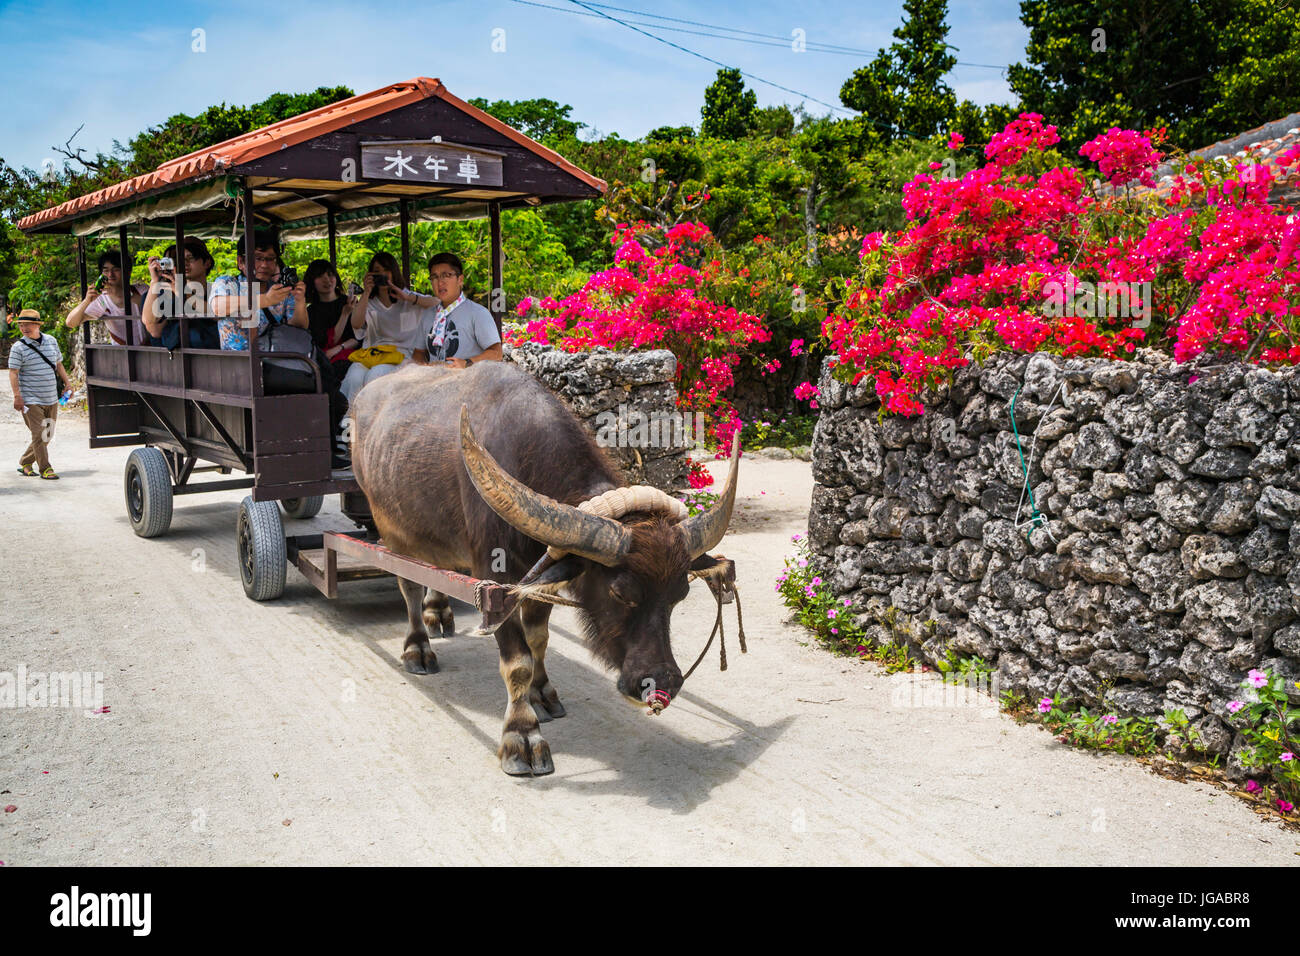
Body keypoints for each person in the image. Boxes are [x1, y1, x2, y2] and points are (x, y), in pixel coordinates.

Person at [209, 231, 349, 467]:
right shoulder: (228, 283)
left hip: (280, 360)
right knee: (307, 382)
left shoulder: (279, 290)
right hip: (242, 365)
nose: (264, 264)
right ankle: (313, 450)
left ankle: (322, 448)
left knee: (328, 389)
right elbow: (217, 308)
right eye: (258, 258)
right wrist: (264, 301)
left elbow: (300, 327)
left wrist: (300, 300)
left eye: (270, 259)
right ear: (241, 261)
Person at [339, 252, 431, 403]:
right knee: (354, 375)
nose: (381, 275)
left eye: (386, 270)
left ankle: (372, 420)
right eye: (376, 271)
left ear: (394, 272)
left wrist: (408, 298)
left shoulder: (408, 297)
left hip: (403, 355)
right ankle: (350, 420)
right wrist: (366, 292)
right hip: (373, 355)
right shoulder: (369, 301)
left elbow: (437, 303)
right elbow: (356, 324)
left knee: (377, 374)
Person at [8, 310, 73, 479]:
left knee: (47, 434)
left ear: (37, 324)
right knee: (39, 435)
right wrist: (17, 396)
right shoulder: (18, 347)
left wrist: (67, 383)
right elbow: (13, 372)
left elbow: (58, 364)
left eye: (27, 324)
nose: (23, 328)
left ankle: (26, 462)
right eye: (21, 325)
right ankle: (45, 468)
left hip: (51, 397)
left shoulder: (51, 341)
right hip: (30, 399)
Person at [413, 253, 502, 368]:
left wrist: (467, 363)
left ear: (460, 279)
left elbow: (497, 353)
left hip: (468, 382)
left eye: (446, 275)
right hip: (434, 381)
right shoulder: (427, 315)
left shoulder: (477, 313)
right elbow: (419, 353)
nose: (440, 282)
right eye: (434, 277)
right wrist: (423, 368)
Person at [142, 237, 220, 349]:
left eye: (191, 258)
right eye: (178, 259)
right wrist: (154, 281)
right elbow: (154, 330)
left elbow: (218, 315)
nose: (185, 263)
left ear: (207, 263)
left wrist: (183, 293)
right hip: (171, 362)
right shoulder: (164, 293)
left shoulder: (216, 290)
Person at [65, 251, 148, 345]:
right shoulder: (101, 299)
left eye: (116, 269)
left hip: (149, 350)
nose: (110, 275)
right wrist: (86, 301)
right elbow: (71, 322)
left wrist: (122, 294)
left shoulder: (141, 290)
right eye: (106, 270)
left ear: (128, 271)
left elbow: (154, 310)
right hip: (120, 353)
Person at [303, 259, 359, 381]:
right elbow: (328, 341)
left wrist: (339, 348)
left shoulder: (350, 302)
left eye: (330, 274)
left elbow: (358, 338)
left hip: (351, 357)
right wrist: (345, 314)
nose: (327, 280)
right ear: (312, 281)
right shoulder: (311, 312)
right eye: (320, 276)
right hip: (325, 363)